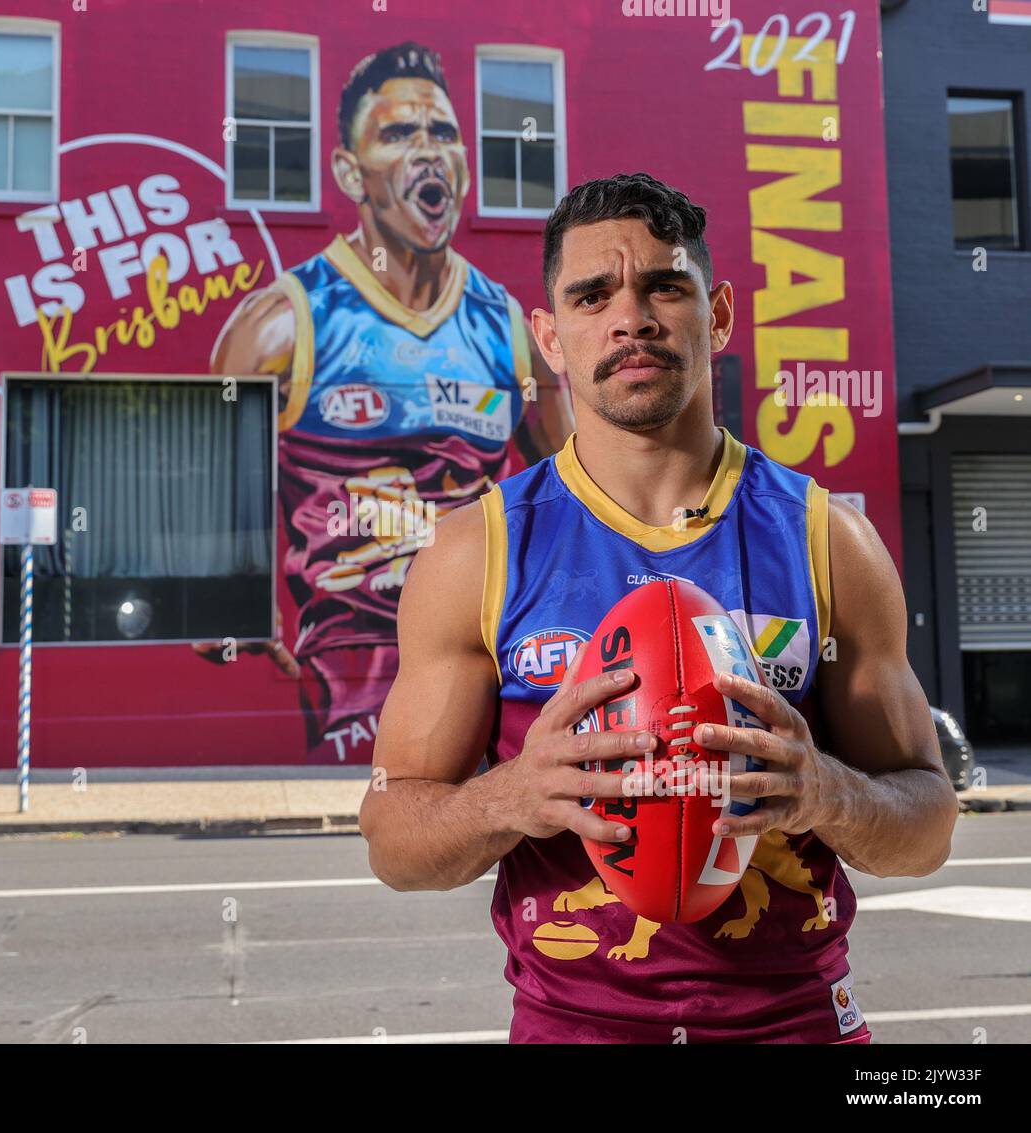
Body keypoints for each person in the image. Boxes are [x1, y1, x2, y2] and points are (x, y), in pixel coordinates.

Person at [360, 172, 958, 1043]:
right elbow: (392, 837)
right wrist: (510, 797)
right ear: (550, 336)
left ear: (714, 316)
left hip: (796, 1028)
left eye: (662, 286)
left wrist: (826, 790)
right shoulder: (476, 553)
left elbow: (928, 826)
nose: (629, 316)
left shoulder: (829, 541)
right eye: (592, 294)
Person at [202, 42, 572, 763]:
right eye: (400, 134)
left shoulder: (508, 328)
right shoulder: (280, 324)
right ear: (350, 171)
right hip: (350, 660)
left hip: (478, 652)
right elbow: (208, 489)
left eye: (443, 133)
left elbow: (577, 494)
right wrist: (229, 607)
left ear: (466, 161)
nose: (428, 152)